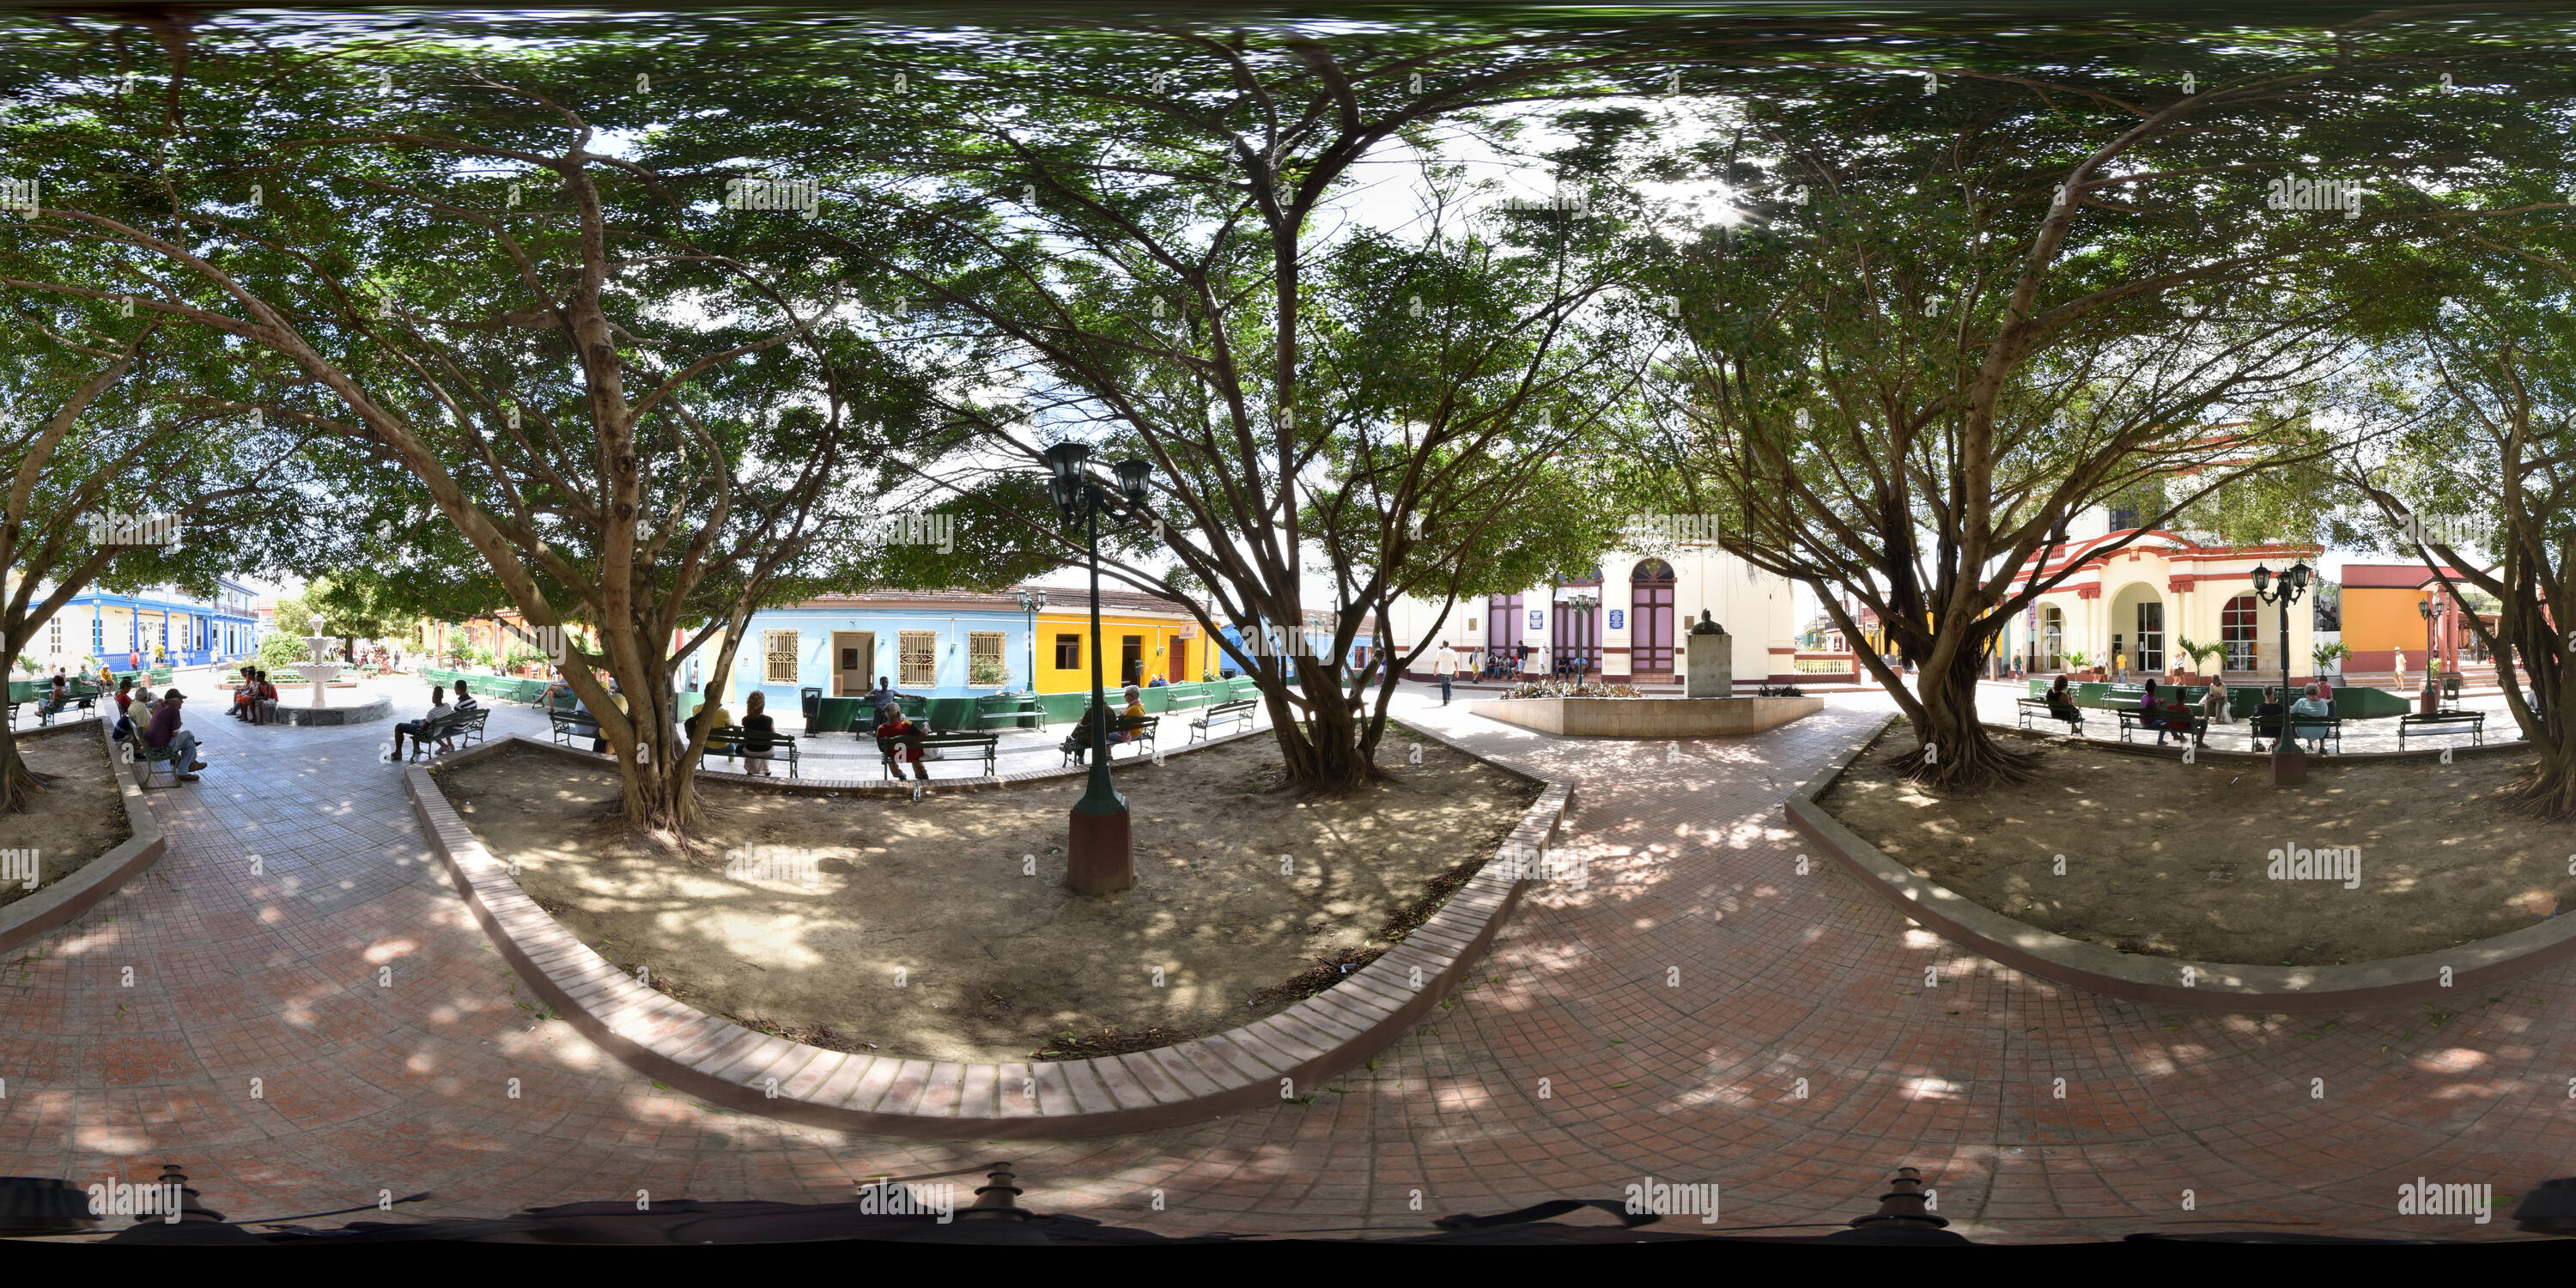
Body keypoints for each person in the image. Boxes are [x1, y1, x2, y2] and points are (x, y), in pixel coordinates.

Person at [143, 688, 207, 782]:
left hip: (152, 743)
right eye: (181, 700)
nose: (182, 702)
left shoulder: (161, 705)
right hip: (162, 746)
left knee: (189, 743)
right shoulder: (174, 710)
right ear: (174, 701)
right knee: (189, 734)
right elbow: (175, 732)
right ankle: (191, 764)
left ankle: (184, 772)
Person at [875, 702, 933, 791]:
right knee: (915, 751)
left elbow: (881, 748)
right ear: (898, 714)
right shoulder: (907, 725)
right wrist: (925, 725)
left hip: (896, 757)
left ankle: (899, 774)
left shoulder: (881, 729)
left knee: (887, 754)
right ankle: (921, 773)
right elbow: (923, 735)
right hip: (913, 755)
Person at [392, 685, 453, 761]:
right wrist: (426, 721)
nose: (432, 697)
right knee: (414, 721)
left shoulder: (432, 712)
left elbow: (423, 728)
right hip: (439, 729)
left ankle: (398, 753)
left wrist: (422, 723)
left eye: (433, 695)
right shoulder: (447, 706)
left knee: (398, 727)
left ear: (434, 697)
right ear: (442, 696)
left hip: (430, 733)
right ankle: (417, 748)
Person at [738, 690, 777, 776]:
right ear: (762, 705)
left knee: (752, 748)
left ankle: (751, 770)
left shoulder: (745, 720)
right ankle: (766, 770)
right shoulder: (769, 720)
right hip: (766, 751)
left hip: (750, 750)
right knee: (764, 747)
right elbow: (773, 736)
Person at [2290, 686, 2335, 755]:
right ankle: (2322, 747)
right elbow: (2324, 714)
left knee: (2308, 726)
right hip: (2320, 732)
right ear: (2317, 692)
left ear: (2306, 693)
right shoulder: (2323, 702)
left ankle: (2310, 746)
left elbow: (2291, 712)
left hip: (2302, 731)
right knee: (2323, 724)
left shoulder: (2301, 701)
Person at [2251, 685, 2285, 752]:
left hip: (2264, 732)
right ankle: (2276, 743)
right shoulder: (2281, 708)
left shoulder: (2258, 708)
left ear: (2263, 694)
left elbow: (2254, 721)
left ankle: (2275, 744)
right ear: (2273, 693)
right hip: (2278, 733)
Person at [1434, 639, 1459, 706]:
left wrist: (1435, 669)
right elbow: (1455, 661)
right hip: (1450, 671)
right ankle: (1449, 699)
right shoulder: (1452, 652)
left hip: (1443, 671)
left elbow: (1437, 661)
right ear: (1448, 644)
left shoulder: (1440, 652)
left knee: (1444, 686)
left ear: (1443, 645)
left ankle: (1445, 701)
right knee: (1449, 684)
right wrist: (1457, 670)